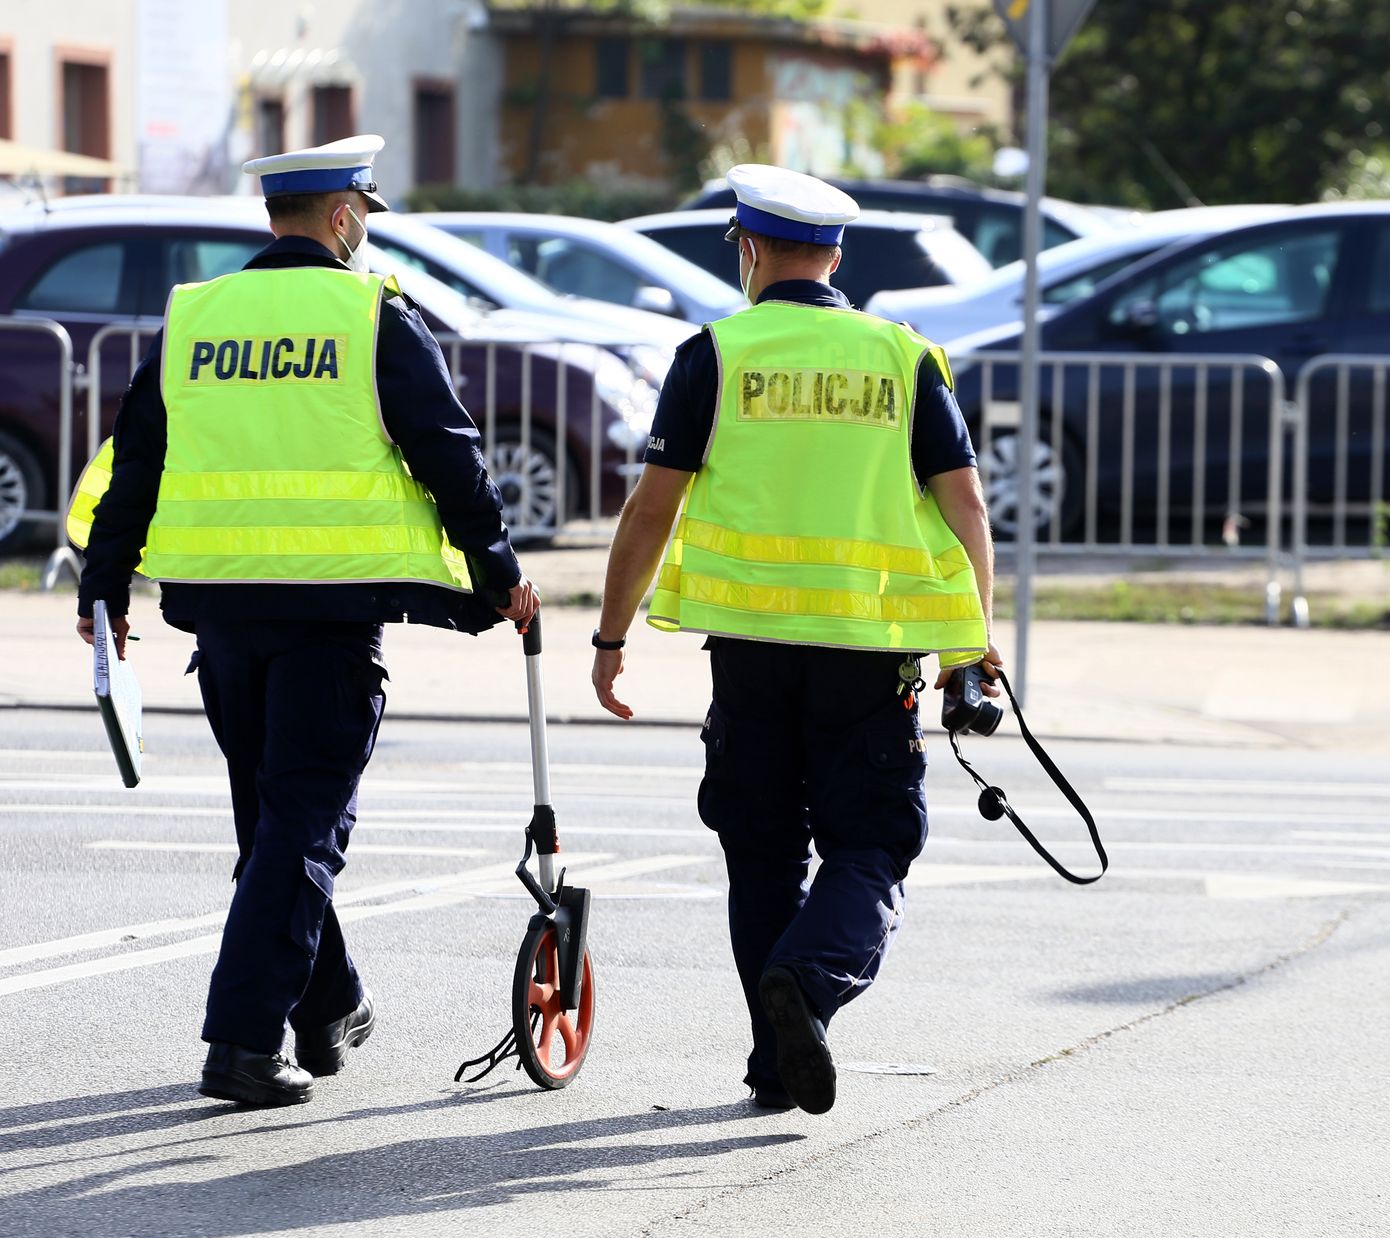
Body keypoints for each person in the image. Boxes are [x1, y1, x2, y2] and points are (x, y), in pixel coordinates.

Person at [69, 135, 537, 1108]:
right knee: (302, 826)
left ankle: (329, 1004)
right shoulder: (368, 314)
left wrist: (103, 587)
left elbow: (134, 458)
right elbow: (446, 451)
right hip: (332, 611)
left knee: (275, 826)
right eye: (361, 214)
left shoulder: (196, 317)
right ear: (341, 218)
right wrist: (495, 569)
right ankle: (242, 1039)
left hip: (223, 614)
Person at [590, 164, 1003, 1115]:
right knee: (872, 844)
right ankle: (809, 988)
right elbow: (965, 501)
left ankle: (776, 1062)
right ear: (838, 255)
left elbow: (651, 509)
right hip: (871, 652)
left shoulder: (716, 355)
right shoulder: (904, 358)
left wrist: (612, 635)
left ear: (748, 247)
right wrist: (971, 646)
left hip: (749, 653)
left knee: (763, 851)